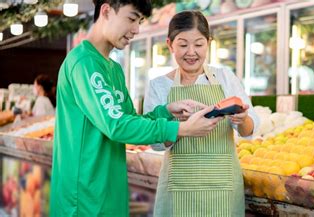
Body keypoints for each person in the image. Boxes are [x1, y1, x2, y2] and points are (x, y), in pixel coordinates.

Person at [50, 1, 222, 216]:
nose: (136, 30)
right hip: (84, 198)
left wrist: (166, 111)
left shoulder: (113, 68)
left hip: (108, 190)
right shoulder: (84, 63)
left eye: (139, 22)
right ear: (106, 11)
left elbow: (129, 119)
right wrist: (181, 130)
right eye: (131, 19)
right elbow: (116, 125)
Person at [143, 10, 259, 216]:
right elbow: (156, 142)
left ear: (209, 43)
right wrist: (180, 127)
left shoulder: (225, 77)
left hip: (223, 190)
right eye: (182, 44)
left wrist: (242, 119)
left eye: (198, 44)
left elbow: (249, 130)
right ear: (170, 44)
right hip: (179, 190)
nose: (191, 52)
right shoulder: (158, 86)